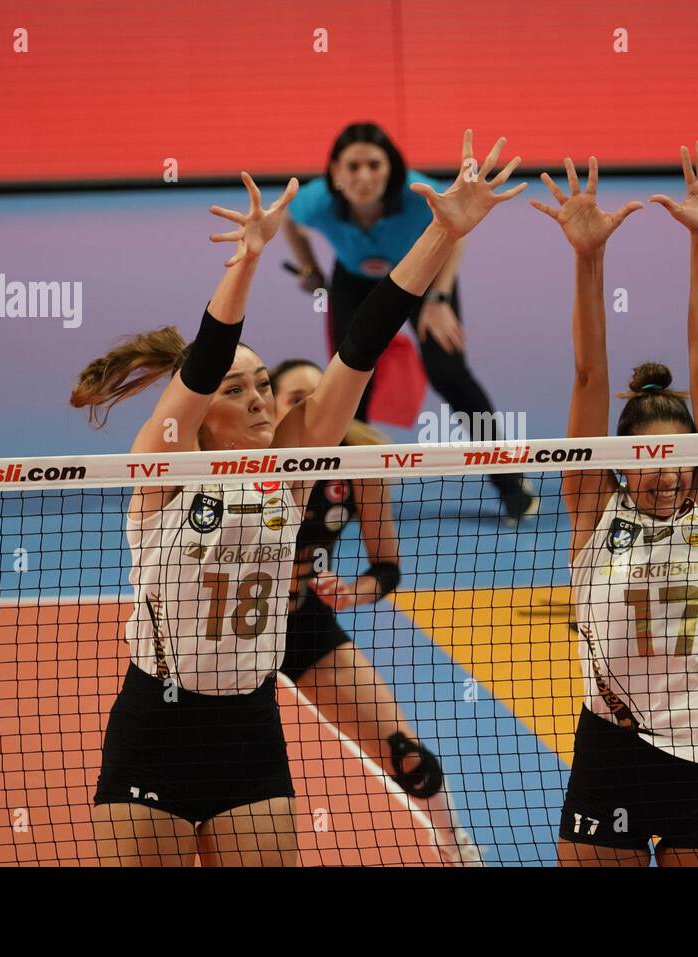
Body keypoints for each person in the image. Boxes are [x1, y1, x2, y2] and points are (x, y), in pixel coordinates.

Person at [68, 130, 524, 866]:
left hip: (250, 730)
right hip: (155, 724)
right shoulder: (163, 462)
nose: (255, 399)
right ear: (199, 408)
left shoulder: (294, 467)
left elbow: (364, 341)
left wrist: (441, 234)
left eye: (260, 387)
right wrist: (247, 261)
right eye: (235, 388)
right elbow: (209, 351)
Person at [532, 147, 698, 866]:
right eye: (649, 459)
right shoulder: (593, 510)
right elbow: (590, 374)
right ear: (623, 460)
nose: (665, 474)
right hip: (612, 752)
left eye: (678, 458)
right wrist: (587, 258)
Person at [269, 358, 482, 865]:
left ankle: (455, 846)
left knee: (407, 754)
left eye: (322, 397)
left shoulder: (358, 463)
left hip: (303, 626)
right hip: (224, 637)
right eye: (297, 399)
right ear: (276, 412)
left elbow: (386, 567)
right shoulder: (239, 464)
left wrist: (352, 592)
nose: (314, 408)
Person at [283, 121, 537, 525]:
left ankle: (511, 483)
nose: (363, 176)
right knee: (347, 386)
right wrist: (310, 268)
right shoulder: (315, 201)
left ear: (391, 168)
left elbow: (456, 236)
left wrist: (438, 299)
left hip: (423, 279)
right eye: (352, 167)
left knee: (449, 374)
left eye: (374, 165)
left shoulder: (420, 194)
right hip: (353, 282)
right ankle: (346, 489)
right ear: (335, 172)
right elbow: (290, 223)